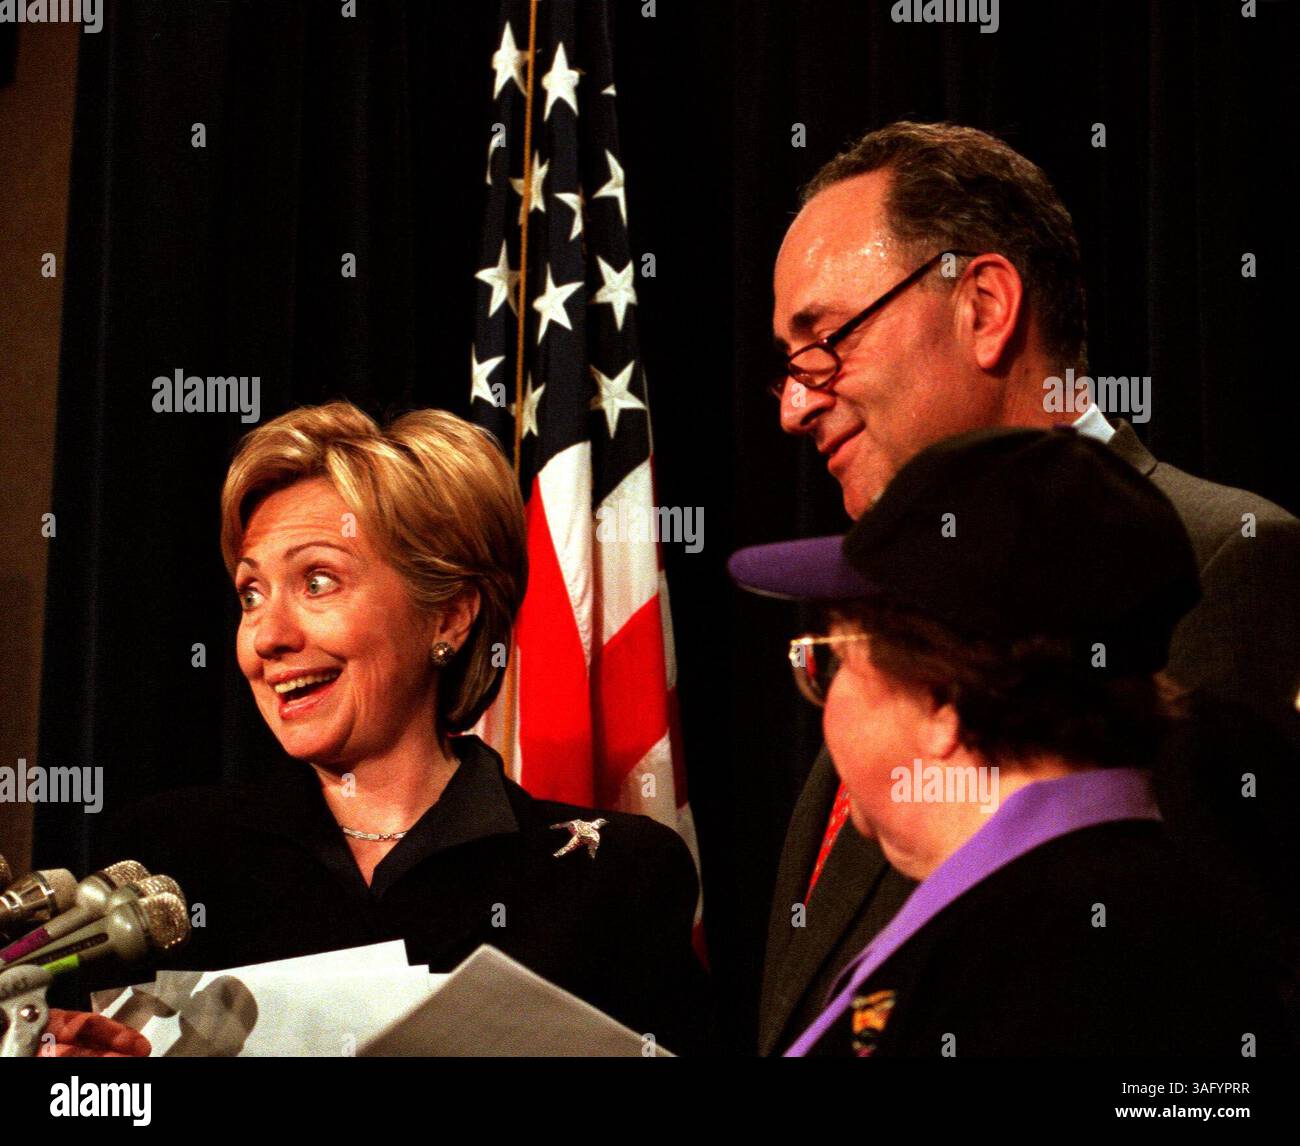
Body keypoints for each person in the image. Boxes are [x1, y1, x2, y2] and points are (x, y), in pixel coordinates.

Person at [759, 119, 1300, 1055]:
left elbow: (1202, 1005)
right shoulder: (894, 610)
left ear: (983, 305)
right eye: (789, 365)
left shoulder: (1222, 556)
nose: (797, 404)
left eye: (828, 340)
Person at [43, 401, 706, 1056]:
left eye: (319, 581)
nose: (267, 637)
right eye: (251, 593)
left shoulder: (610, 878)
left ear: (447, 616)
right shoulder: (167, 864)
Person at [732, 427, 1295, 1056]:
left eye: (833, 662)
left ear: (941, 699)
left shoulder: (1032, 964)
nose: (825, 703)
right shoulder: (1181, 910)